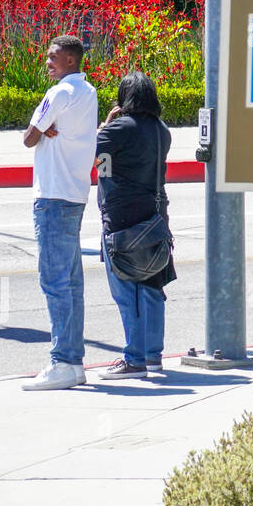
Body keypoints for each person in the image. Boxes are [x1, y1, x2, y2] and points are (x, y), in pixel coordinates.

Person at [21, 35, 98, 391]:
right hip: (76, 193)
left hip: (51, 195)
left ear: (70, 59)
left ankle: (64, 361)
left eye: (53, 57)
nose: (47, 61)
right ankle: (74, 362)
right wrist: (48, 129)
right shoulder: (89, 92)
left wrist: (42, 129)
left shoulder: (58, 93)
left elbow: (28, 138)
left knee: (54, 282)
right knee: (71, 282)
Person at [95, 71, 175, 380]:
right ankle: (153, 355)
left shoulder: (118, 129)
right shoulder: (161, 130)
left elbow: (99, 159)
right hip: (156, 217)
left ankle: (134, 358)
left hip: (122, 218)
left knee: (126, 289)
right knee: (153, 287)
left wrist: (107, 123)